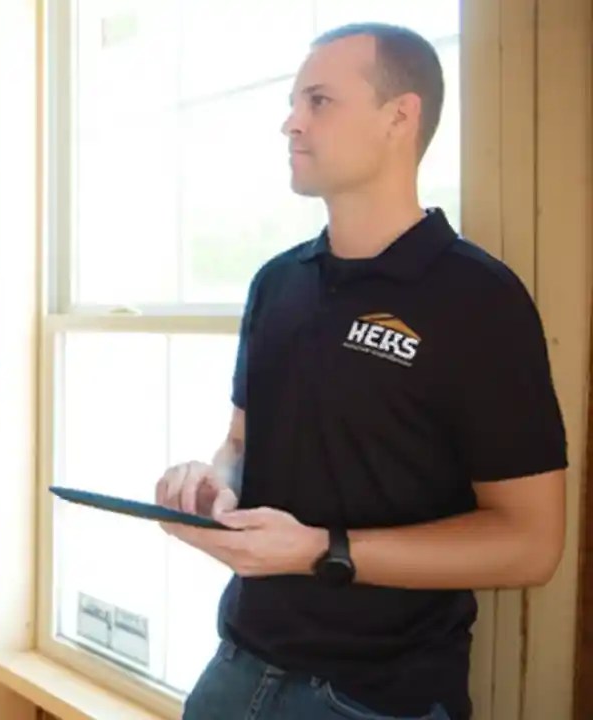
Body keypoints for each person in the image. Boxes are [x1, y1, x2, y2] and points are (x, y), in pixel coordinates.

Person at [154, 22, 567, 720]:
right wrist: (209, 487)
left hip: (374, 697)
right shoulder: (276, 283)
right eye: (293, 102)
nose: (290, 122)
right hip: (235, 666)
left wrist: (321, 551)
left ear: (399, 117)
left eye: (318, 101)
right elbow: (241, 444)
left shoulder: (477, 298)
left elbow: (530, 545)